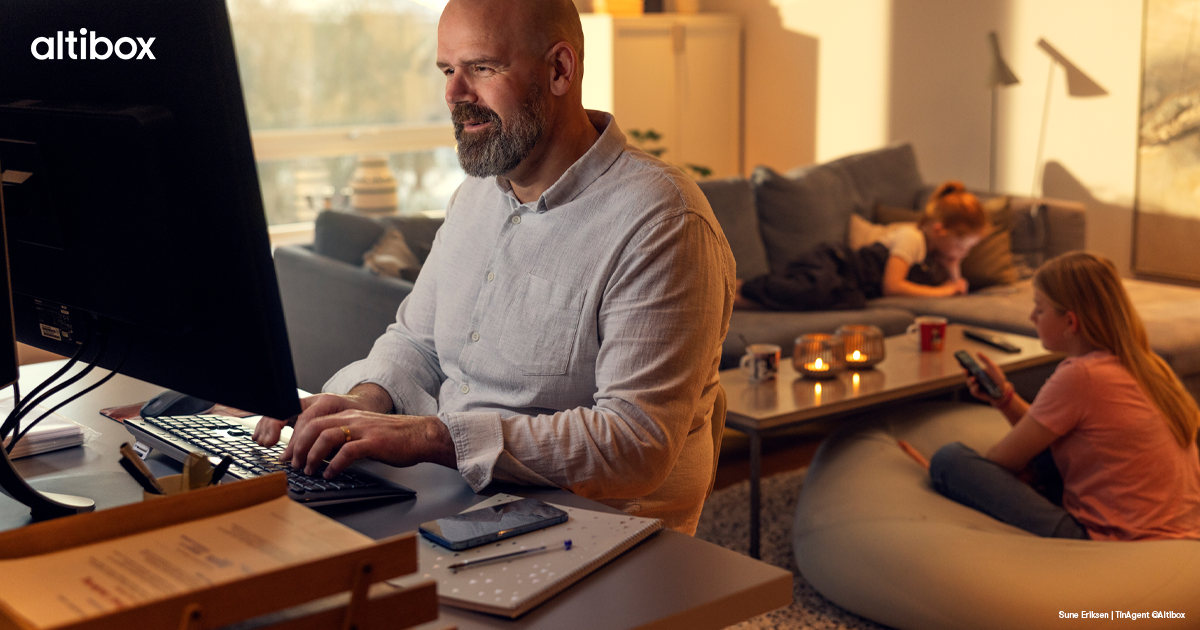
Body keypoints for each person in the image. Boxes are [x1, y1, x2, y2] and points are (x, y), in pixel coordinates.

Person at [253, 0, 736, 534]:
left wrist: (436, 436)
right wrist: (361, 403)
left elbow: (635, 442)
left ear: (559, 69)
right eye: (447, 70)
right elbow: (418, 343)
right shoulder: (474, 197)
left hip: (593, 530)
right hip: (458, 497)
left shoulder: (663, 220)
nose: (454, 94)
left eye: (481, 67)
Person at [930, 251, 1200, 540]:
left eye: (1039, 308)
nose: (1032, 317)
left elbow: (1000, 460)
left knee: (950, 459)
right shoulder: (1147, 363)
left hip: (1118, 540)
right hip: (1186, 533)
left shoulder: (1081, 375)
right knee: (1053, 454)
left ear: (1070, 322)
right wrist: (1005, 399)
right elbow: (1043, 431)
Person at [734, 181, 988, 311]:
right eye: (962, 246)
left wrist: (953, 268)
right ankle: (738, 287)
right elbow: (893, 286)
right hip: (836, 264)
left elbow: (959, 288)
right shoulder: (912, 238)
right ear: (939, 230)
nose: (963, 253)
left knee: (824, 302)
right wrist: (945, 290)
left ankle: (740, 301)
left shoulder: (933, 256)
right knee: (808, 290)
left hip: (849, 286)